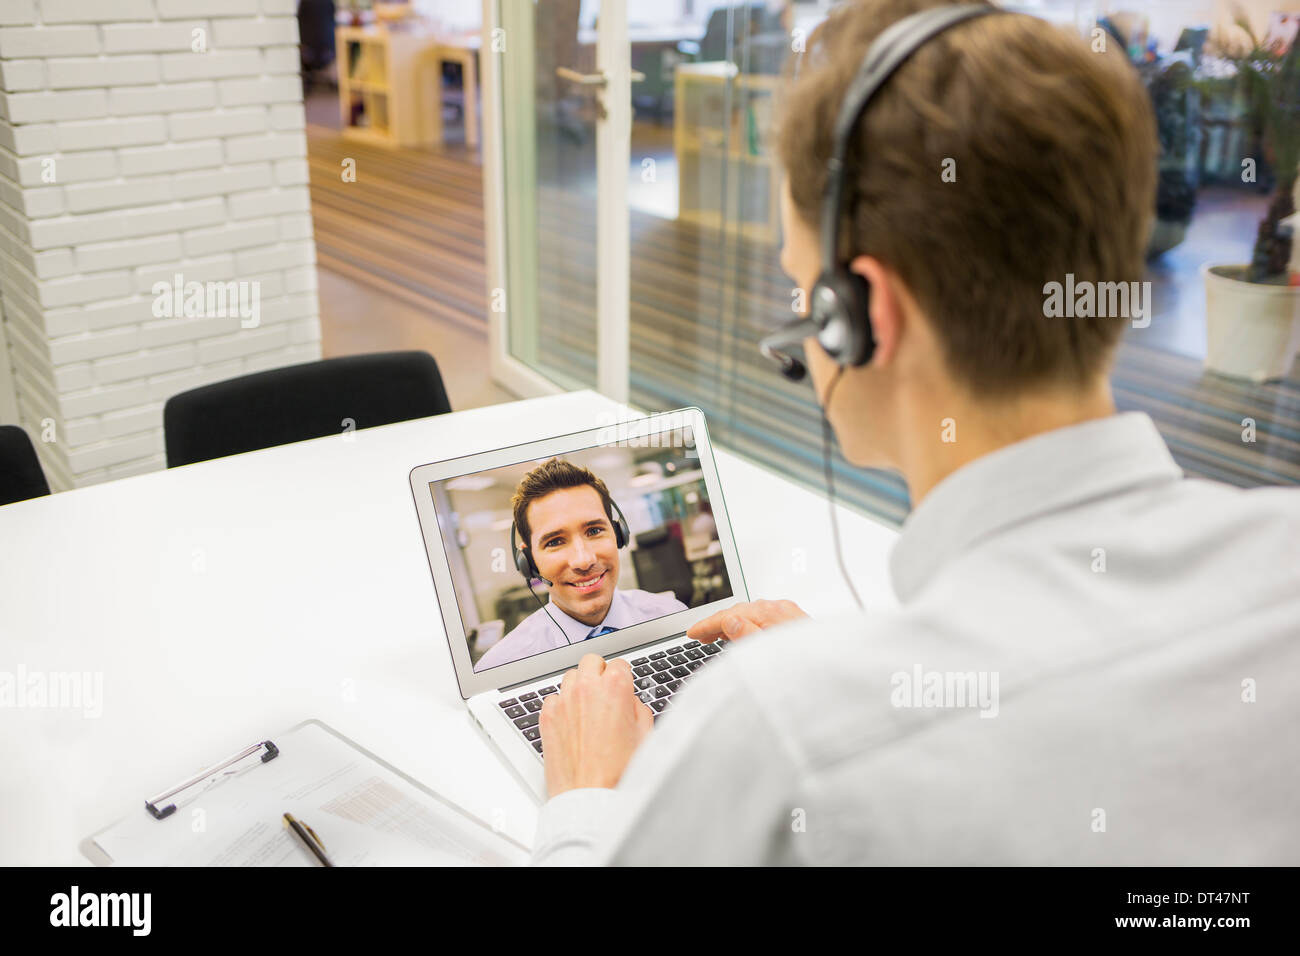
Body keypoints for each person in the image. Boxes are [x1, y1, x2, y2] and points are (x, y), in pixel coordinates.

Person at [529, 0, 1300, 864]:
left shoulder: (778, 742)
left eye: (801, 291)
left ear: (864, 317)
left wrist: (586, 800)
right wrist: (862, 678)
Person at [475, 458, 687, 671]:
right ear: (529, 561)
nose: (584, 560)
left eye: (594, 531)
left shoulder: (672, 616)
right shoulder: (501, 667)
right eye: (555, 542)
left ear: (618, 534)